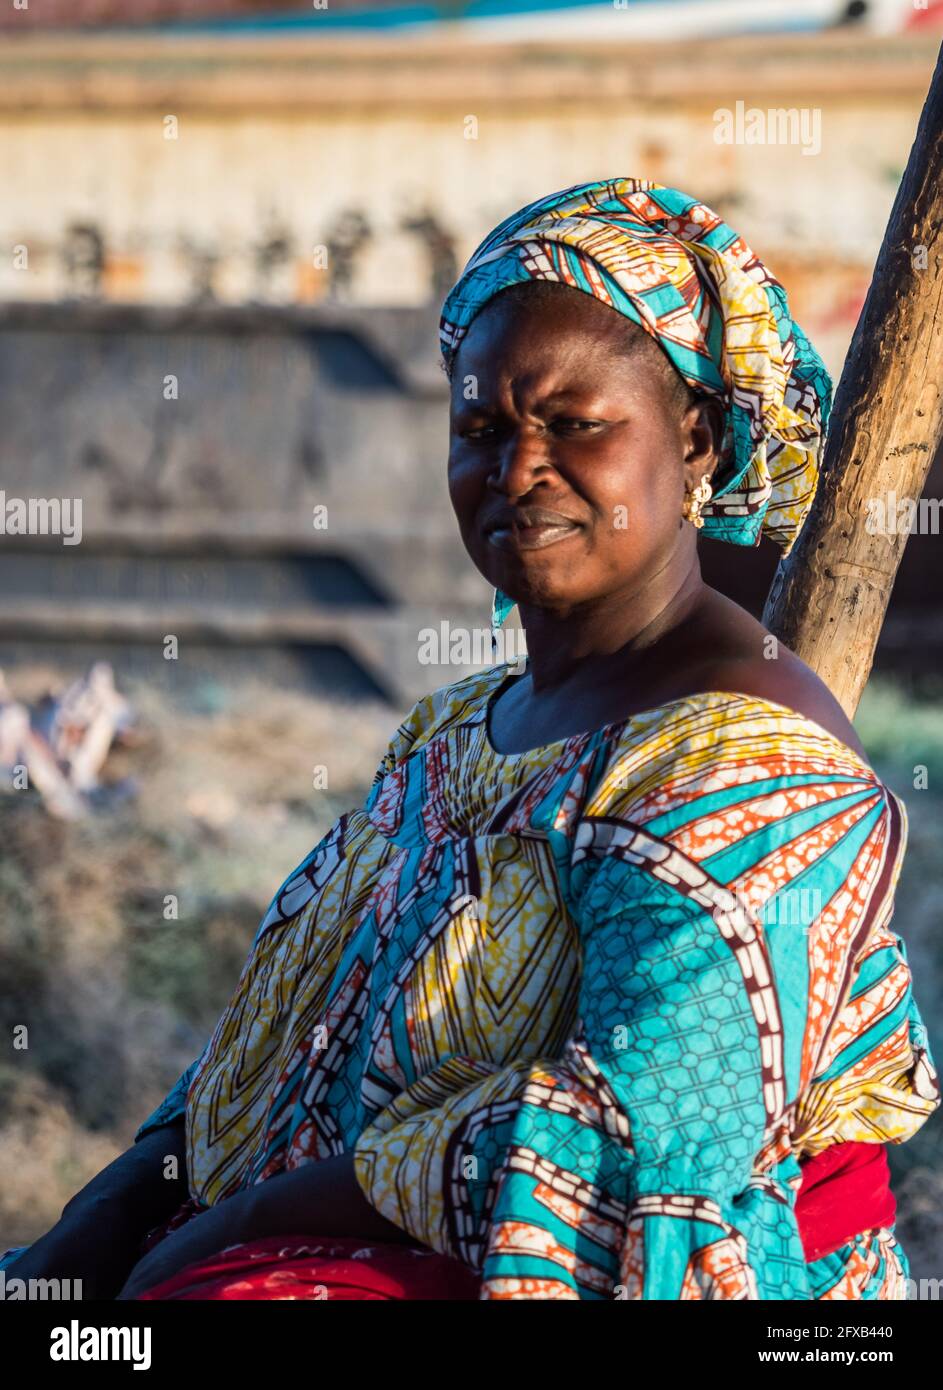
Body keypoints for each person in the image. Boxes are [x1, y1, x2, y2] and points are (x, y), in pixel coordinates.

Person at [5, 178, 939, 1300]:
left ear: (695, 437)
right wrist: (106, 1219)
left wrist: (234, 1229)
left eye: (573, 424)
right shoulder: (450, 737)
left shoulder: (745, 764)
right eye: (481, 428)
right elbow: (292, 1045)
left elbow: (633, 1147)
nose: (518, 467)